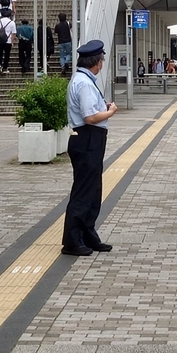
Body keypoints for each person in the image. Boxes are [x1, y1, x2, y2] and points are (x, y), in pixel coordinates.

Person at [62, 40, 118, 257]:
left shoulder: (82, 79)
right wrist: (110, 112)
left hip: (88, 139)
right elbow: (90, 117)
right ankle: (72, 240)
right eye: (102, 59)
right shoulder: (85, 83)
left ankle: (88, 235)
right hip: (87, 138)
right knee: (84, 191)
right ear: (98, 62)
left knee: (93, 190)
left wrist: (102, 108)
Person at [0, 9, 16, 74]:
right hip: (8, 41)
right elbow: (13, 33)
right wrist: (12, 41)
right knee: (7, 55)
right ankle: (5, 68)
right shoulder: (12, 22)